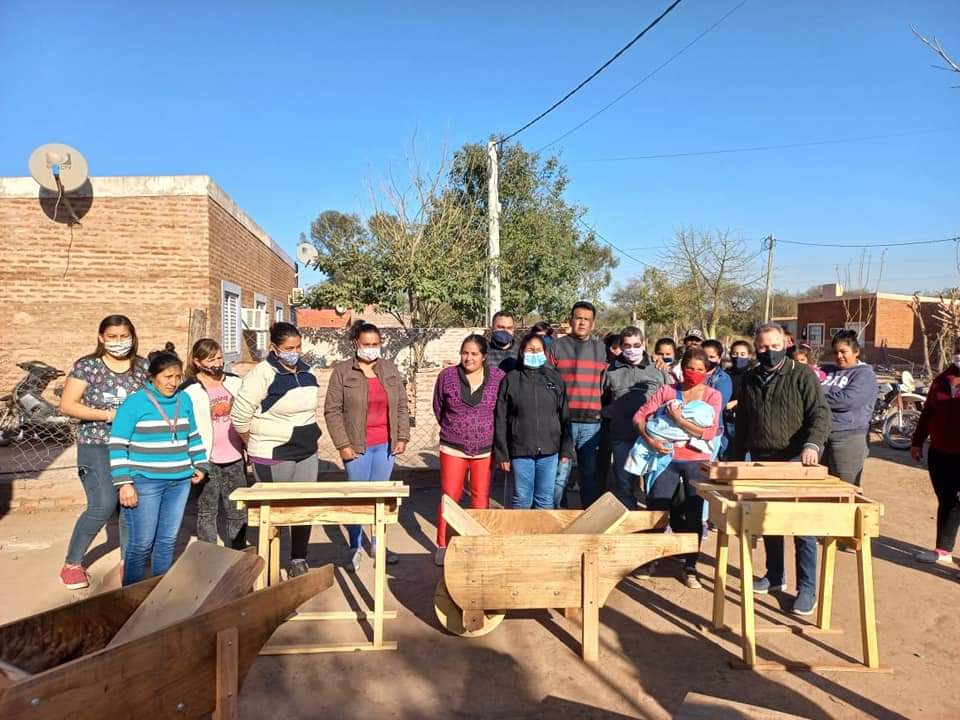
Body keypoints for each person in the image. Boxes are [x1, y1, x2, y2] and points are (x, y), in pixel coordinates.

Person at [732, 323, 831, 616]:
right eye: (762, 347)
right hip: (763, 459)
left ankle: (807, 588)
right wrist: (736, 458)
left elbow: (820, 414)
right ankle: (775, 575)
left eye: (774, 346)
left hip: (797, 461)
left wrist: (812, 446)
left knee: (801, 526)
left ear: (785, 344)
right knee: (769, 521)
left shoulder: (801, 375)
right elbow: (743, 422)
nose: (768, 352)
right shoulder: (750, 377)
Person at [58, 315, 148, 590]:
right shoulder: (87, 367)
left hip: (135, 446)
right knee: (103, 504)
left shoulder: (142, 366)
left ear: (132, 336)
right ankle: (72, 564)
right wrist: (108, 415)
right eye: (113, 337)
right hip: (96, 445)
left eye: (124, 336)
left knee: (131, 505)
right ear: (101, 337)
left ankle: (127, 561)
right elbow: (68, 405)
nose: (119, 342)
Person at [110, 344, 207, 585]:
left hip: (179, 481)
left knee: (166, 540)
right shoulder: (135, 403)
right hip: (144, 482)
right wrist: (124, 483)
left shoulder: (183, 399)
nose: (173, 383)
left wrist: (201, 464)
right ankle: (130, 597)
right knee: (141, 543)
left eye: (178, 377)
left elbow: (192, 434)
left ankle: (158, 593)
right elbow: (117, 444)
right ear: (152, 377)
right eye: (167, 377)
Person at [231, 322, 322, 578]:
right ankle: (268, 569)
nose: (294, 352)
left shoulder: (306, 370)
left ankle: (298, 560)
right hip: (272, 452)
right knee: (275, 513)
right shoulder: (261, 374)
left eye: (298, 347)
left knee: (302, 509)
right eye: (288, 348)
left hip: (306, 450)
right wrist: (252, 442)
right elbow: (240, 416)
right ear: (274, 348)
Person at [633, 347, 721, 588]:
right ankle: (650, 559)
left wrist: (680, 420)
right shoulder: (667, 390)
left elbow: (709, 432)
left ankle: (690, 566)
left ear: (707, 371)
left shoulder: (712, 396)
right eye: (689, 368)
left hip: (696, 462)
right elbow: (639, 417)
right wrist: (651, 440)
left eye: (700, 369)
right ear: (682, 368)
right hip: (665, 459)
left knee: (693, 512)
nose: (694, 373)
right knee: (657, 508)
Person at [325, 322, 410, 572]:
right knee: (358, 498)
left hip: (386, 446)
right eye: (366, 344)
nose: (371, 349)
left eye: (375, 344)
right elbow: (332, 411)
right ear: (355, 344)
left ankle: (378, 544)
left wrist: (402, 437)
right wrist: (343, 444)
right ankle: (355, 546)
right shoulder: (342, 372)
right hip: (357, 447)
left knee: (380, 499)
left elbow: (402, 406)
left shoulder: (390, 369)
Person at [432, 334, 505, 565]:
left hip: (485, 449)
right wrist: (456, 429)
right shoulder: (447, 376)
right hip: (453, 447)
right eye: (465, 353)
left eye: (474, 354)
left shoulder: (498, 377)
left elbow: (502, 410)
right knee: (450, 497)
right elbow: (438, 407)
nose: (468, 358)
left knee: (480, 497)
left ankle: (478, 543)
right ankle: (443, 544)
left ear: (484, 356)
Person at [181, 338, 247, 549]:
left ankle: (238, 551)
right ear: (198, 362)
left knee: (237, 508)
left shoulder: (235, 382)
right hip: (205, 459)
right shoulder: (188, 390)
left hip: (235, 456)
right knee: (207, 510)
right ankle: (206, 555)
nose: (217, 363)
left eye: (219, 357)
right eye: (211, 359)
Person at [495, 333, 573, 508]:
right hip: (520, 450)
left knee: (545, 498)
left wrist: (567, 449)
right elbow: (501, 418)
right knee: (522, 497)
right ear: (522, 352)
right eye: (530, 349)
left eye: (538, 350)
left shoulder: (554, 379)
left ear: (544, 353)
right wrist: (503, 454)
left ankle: (543, 536)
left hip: (549, 450)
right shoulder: (511, 379)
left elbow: (564, 416)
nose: (534, 352)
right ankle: (520, 536)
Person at [601, 326, 671, 508]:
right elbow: (603, 399)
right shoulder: (610, 371)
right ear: (621, 346)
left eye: (636, 344)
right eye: (627, 345)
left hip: (651, 438)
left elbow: (670, 400)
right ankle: (629, 525)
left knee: (653, 484)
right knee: (623, 484)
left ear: (644, 344)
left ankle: (655, 526)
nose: (632, 349)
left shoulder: (658, 369)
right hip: (621, 436)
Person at [551, 301, 606, 508]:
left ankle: (589, 515)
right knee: (560, 473)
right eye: (578, 318)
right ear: (571, 320)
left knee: (589, 473)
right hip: (563, 421)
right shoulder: (556, 346)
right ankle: (559, 514)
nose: (582, 323)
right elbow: (547, 380)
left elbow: (619, 369)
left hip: (592, 422)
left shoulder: (600, 348)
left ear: (593, 323)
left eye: (586, 319)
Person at [910, 337, 960, 565]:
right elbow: (928, 412)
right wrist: (918, 441)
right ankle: (943, 551)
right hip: (940, 453)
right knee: (947, 500)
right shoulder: (941, 380)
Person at [819, 331, 876, 488]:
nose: (839, 356)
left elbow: (846, 401)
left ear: (856, 352)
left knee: (845, 487)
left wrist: (816, 401)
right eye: (836, 352)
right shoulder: (826, 371)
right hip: (821, 436)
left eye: (844, 351)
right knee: (820, 485)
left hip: (848, 437)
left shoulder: (865, 375)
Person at [702, 339, 734, 458]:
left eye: (712, 356)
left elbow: (717, 406)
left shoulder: (723, 379)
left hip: (711, 431)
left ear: (719, 359)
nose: (708, 360)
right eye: (704, 356)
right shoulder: (691, 373)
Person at [724, 340, 753, 459]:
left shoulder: (754, 374)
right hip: (729, 419)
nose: (738, 357)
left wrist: (737, 402)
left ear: (750, 355)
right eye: (735, 354)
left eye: (742, 354)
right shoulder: (725, 374)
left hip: (748, 421)